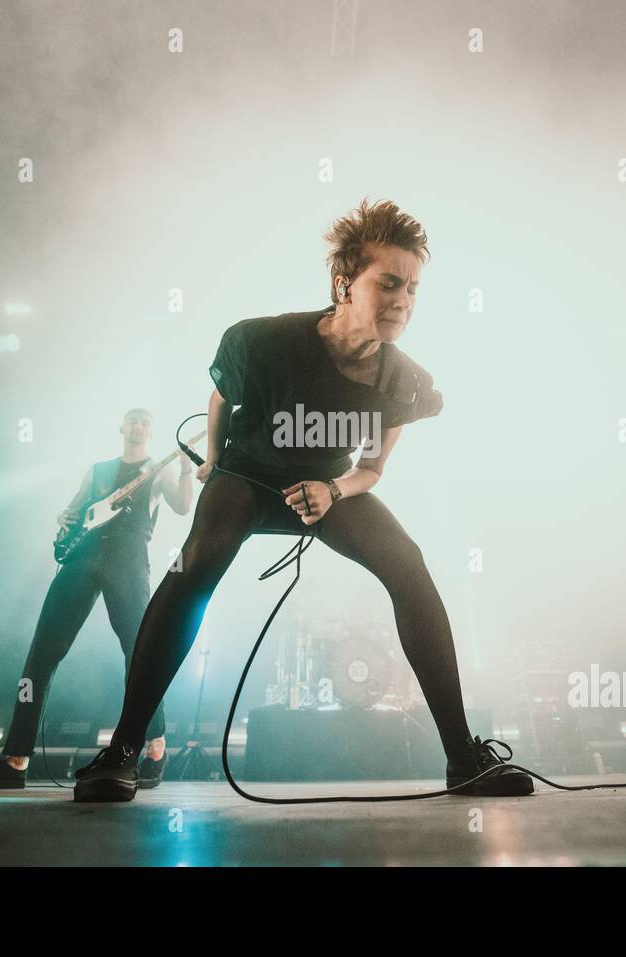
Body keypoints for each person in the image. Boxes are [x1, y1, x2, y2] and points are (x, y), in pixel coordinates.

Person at [72, 199, 533, 802]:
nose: (403, 300)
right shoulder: (263, 342)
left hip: (322, 486)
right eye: (389, 283)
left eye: (414, 289)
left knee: (410, 567)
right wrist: (214, 465)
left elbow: (371, 469)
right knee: (195, 566)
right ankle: (123, 752)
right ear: (344, 284)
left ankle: (462, 759)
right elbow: (218, 401)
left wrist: (332, 490)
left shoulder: (405, 382)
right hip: (248, 477)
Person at [0, 408, 193, 790]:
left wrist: (186, 468)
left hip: (128, 557)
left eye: (144, 423)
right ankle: (15, 760)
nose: (137, 427)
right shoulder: (98, 470)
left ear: (150, 432)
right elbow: (74, 511)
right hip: (83, 556)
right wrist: (67, 521)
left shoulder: (158, 469)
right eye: (132, 421)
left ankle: (154, 747)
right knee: (42, 652)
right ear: (121, 427)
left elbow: (183, 506)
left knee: (139, 651)